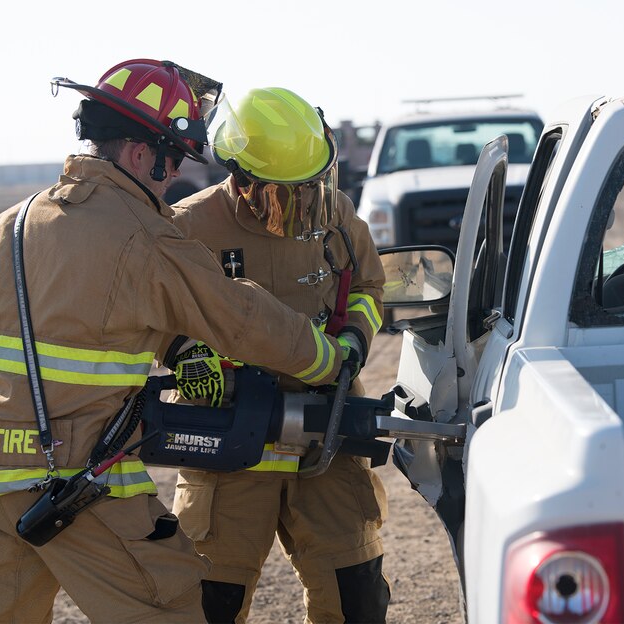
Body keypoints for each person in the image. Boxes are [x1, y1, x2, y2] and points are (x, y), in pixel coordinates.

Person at [0, 61, 345, 624]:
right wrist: (328, 358)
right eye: (172, 157)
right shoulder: (144, 236)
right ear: (137, 153)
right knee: (171, 607)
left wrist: (179, 350)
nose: (174, 174)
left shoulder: (5, 227)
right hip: (84, 485)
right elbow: (239, 316)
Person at [169, 87, 390, 624]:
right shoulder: (187, 227)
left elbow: (367, 285)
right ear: (242, 180)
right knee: (210, 605)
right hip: (229, 442)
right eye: (284, 194)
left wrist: (355, 342)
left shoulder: (334, 212)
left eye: (310, 189)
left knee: (355, 598)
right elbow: (151, 311)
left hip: (327, 431)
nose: (304, 206)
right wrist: (184, 355)